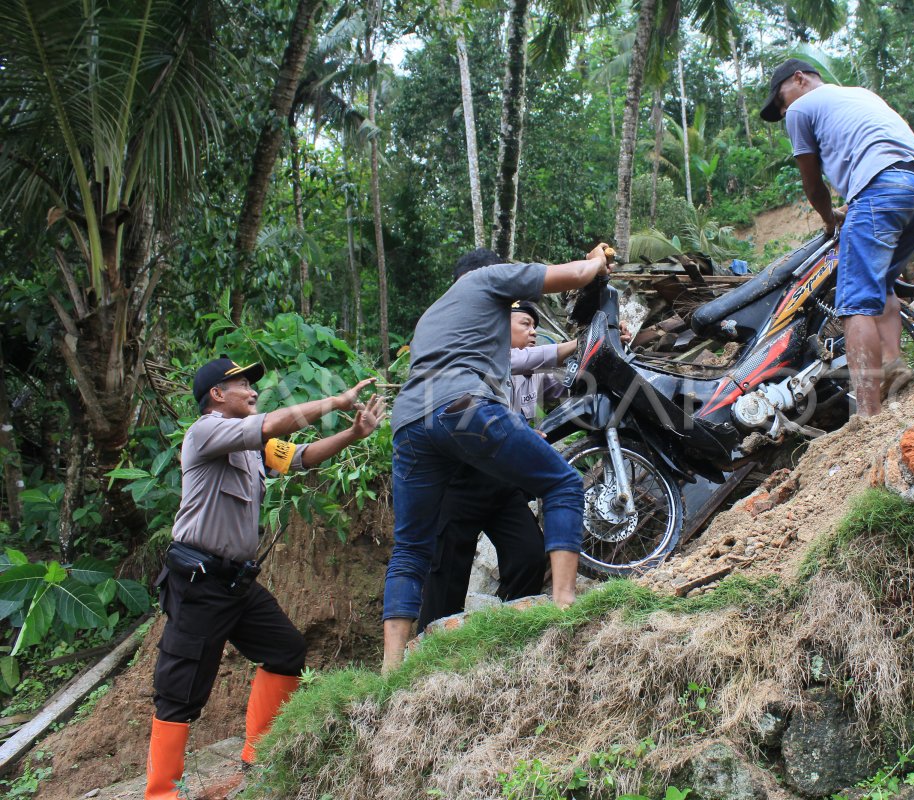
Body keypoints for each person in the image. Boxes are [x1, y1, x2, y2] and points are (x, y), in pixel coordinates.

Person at [145, 358, 383, 800]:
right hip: (199, 583)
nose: (253, 391)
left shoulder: (253, 445)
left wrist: (353, 433)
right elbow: (273, 423)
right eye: (242, 384)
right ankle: (162, 794)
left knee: (285, 650)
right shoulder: (206, 432)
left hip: (236, 583)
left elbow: (300, 456)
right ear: (217, 394)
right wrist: (336, 400)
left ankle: (259, 759)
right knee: (180, 692)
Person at [382, 244, 613, 671]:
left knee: (411, 547)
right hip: (462, 409)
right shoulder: (487, 280)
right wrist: (597, 259)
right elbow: (577, 274)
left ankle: (391, 669)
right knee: (562, 482)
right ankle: (565, 606)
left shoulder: (432, 314)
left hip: (410, 421)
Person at [760, 58, 914, 417]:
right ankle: (893, 364)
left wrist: (830, 219)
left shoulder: (802, 110)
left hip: (882, 190)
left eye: (781, 102)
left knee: (855, 301)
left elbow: (812, 183)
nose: (783, 113)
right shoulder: (861, 94)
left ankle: (868, 414)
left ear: (799, 78)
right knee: (882, 283)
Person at [415, 300, 573, 634]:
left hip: (504, 484)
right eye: (525, 323)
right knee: (446, 574)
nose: (533, 332)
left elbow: (569, 385)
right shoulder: (482, 358)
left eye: (535, 326)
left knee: (529, 555)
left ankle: (510, 632)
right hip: (460, 483)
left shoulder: (535, 374)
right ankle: (429, 654)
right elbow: (522, 361)